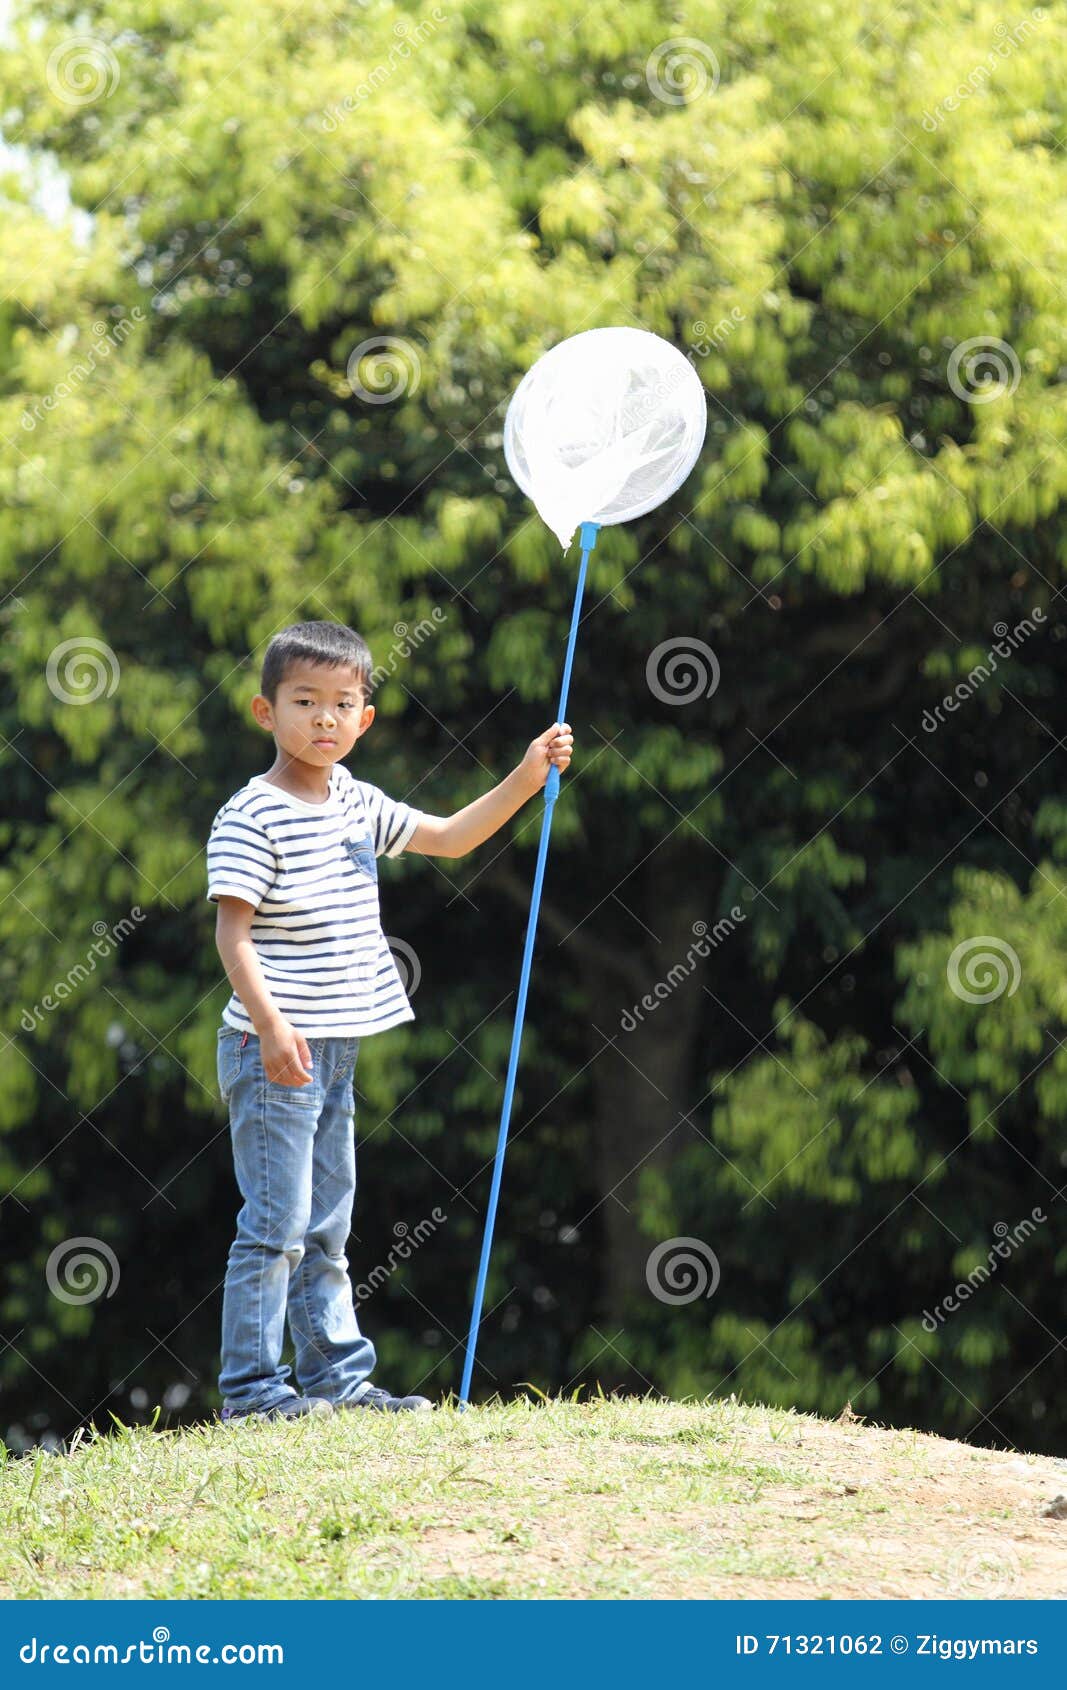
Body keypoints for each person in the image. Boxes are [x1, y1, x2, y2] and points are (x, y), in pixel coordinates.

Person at [206, 619, 574, 1422]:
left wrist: (524, 774)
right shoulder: (251, 814)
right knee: (275, 1227)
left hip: (335, 1048)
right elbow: (232, 933)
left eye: (343, 703)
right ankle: (252, 1392)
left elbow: (448, 838)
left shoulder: (355, 801)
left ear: (365, 719)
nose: (326, 719)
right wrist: (270, 1028)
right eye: (305, 701)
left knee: (328, 1226)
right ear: (265, 712)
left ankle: (336, 1381)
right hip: (270, 1050)